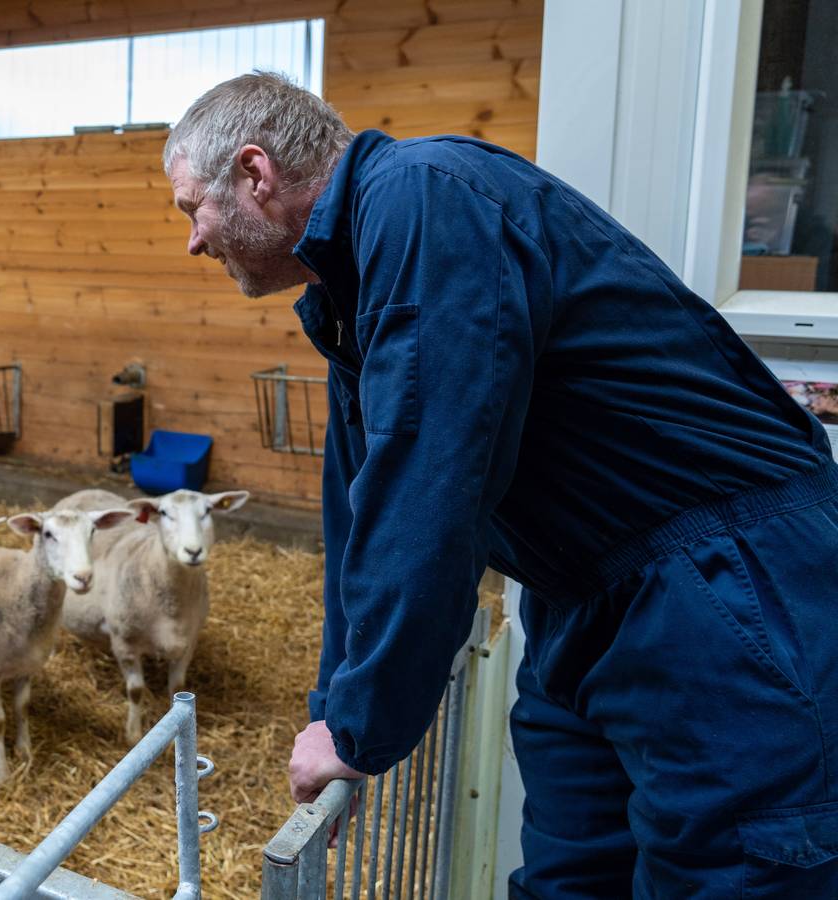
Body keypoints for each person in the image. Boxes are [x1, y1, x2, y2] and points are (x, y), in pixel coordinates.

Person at [161, 71, 838, 897]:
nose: (193, 241)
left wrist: (364, 724)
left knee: (729, 870)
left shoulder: (423, 199)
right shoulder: (345, 286)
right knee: (568, 873)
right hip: (582, 595)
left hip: (722, 585)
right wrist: (335, 709)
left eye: (191, 208)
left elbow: (433, 480)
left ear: (255, 175)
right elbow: (362, 512)